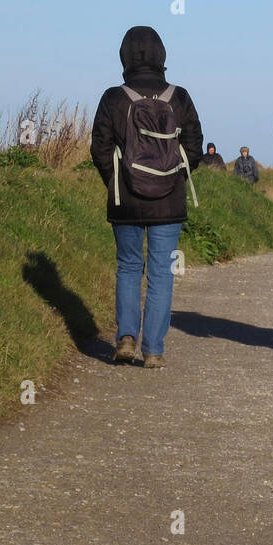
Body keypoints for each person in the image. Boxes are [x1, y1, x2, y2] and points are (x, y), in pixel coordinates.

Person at [90, 26, 203, 369]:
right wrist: (174, 177)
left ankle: (126, 337)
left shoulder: (113, 97)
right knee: (161, 272)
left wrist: (117, 181)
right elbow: (195, 147)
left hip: (125, 201)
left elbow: (99, 148)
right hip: (168, 203)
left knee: (127, 267)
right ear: (162, 56)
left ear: (124, 56)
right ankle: (153, 348)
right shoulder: (178, 96)